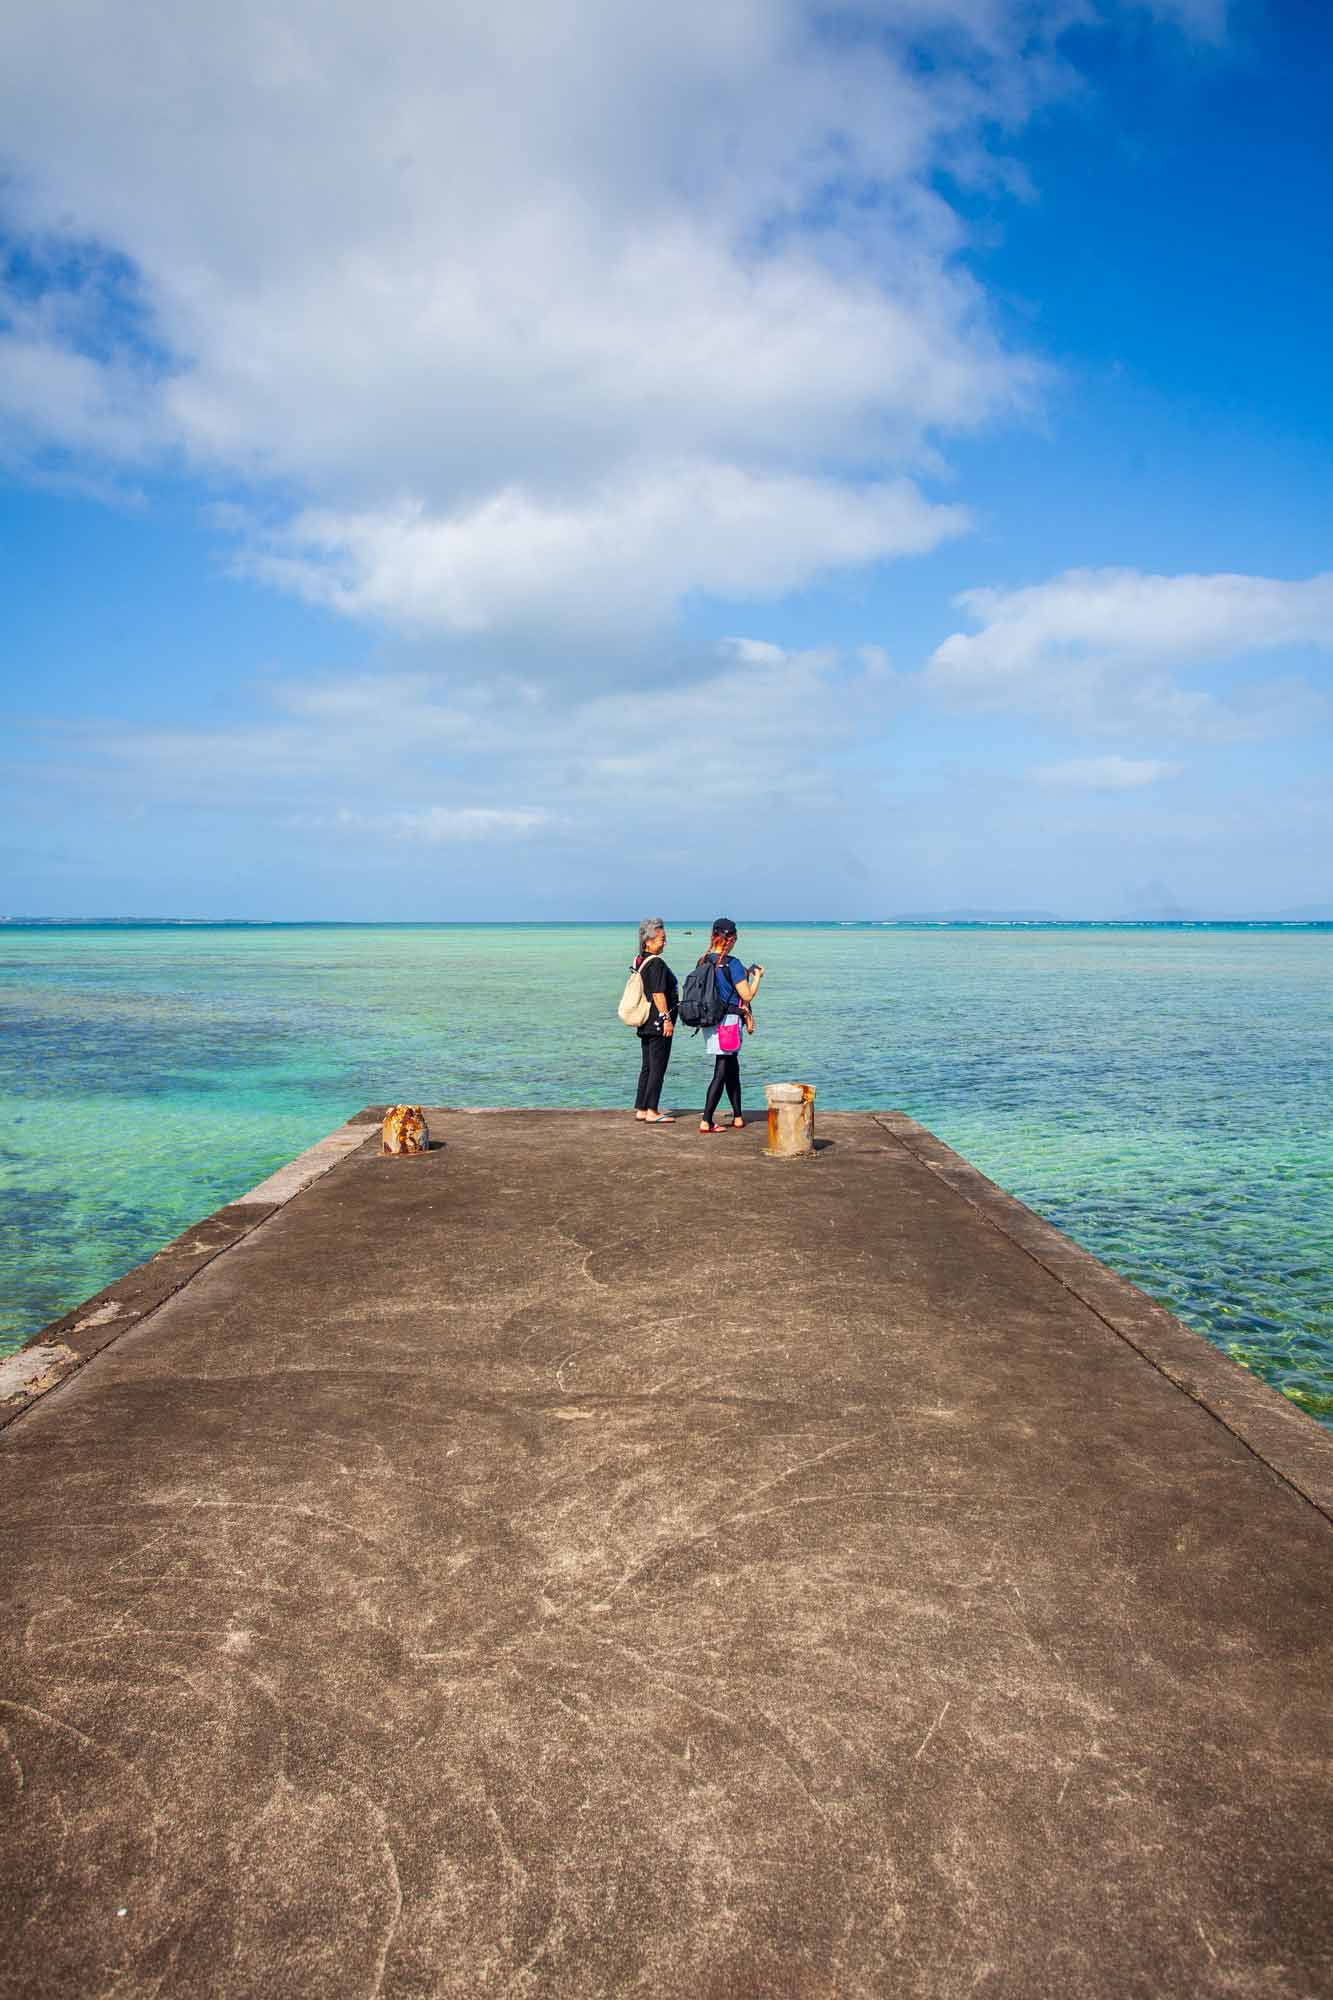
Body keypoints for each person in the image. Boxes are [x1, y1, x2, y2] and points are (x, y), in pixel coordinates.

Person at [698, 918, 764, 1133]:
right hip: (728, 1023)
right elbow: (747, 995)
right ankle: (706, 1120)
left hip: (710, 1021)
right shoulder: (732, 963)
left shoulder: (704, 960)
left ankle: (737, 1116)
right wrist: (757, 978)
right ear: (732, 938)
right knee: (722, 1070)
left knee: (732, 1068)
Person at [632, 918, 678, 1124]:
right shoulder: (657, 963)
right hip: (658, 1022)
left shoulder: (639, 960)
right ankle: (652, 1110)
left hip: (646, 1022)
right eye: (661, 939)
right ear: (647, 941)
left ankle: (641, 1108)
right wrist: (667, 1018)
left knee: (648, 1066)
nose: (665, 943)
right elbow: (659, 993)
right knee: (658, 1066)